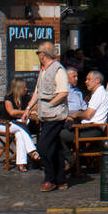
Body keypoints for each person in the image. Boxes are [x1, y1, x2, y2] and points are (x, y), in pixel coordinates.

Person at [27, 41, 70, 192]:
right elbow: (37, 92)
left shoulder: (58, 69)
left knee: (43, 147)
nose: (38, 56)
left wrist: (51, 104)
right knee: (55, 146)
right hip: (45, 115)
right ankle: (60, 180)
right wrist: (28, 108)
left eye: (38, 53)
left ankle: (50, 178)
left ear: (43, 55)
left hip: (56, 115)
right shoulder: (43, 70)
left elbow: (63, 92)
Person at [3, 77, 41, 172]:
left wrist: (30, 109)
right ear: (18, 88)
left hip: (19, 125)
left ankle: (21, 164)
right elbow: (11, 112)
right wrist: (27, 112)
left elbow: (35, 107)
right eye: (24, 87)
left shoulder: (26, 97)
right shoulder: (8, 98)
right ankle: (32, 151)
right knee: (22, 127)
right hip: (6, 124)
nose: (26, 89)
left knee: (20, 134)